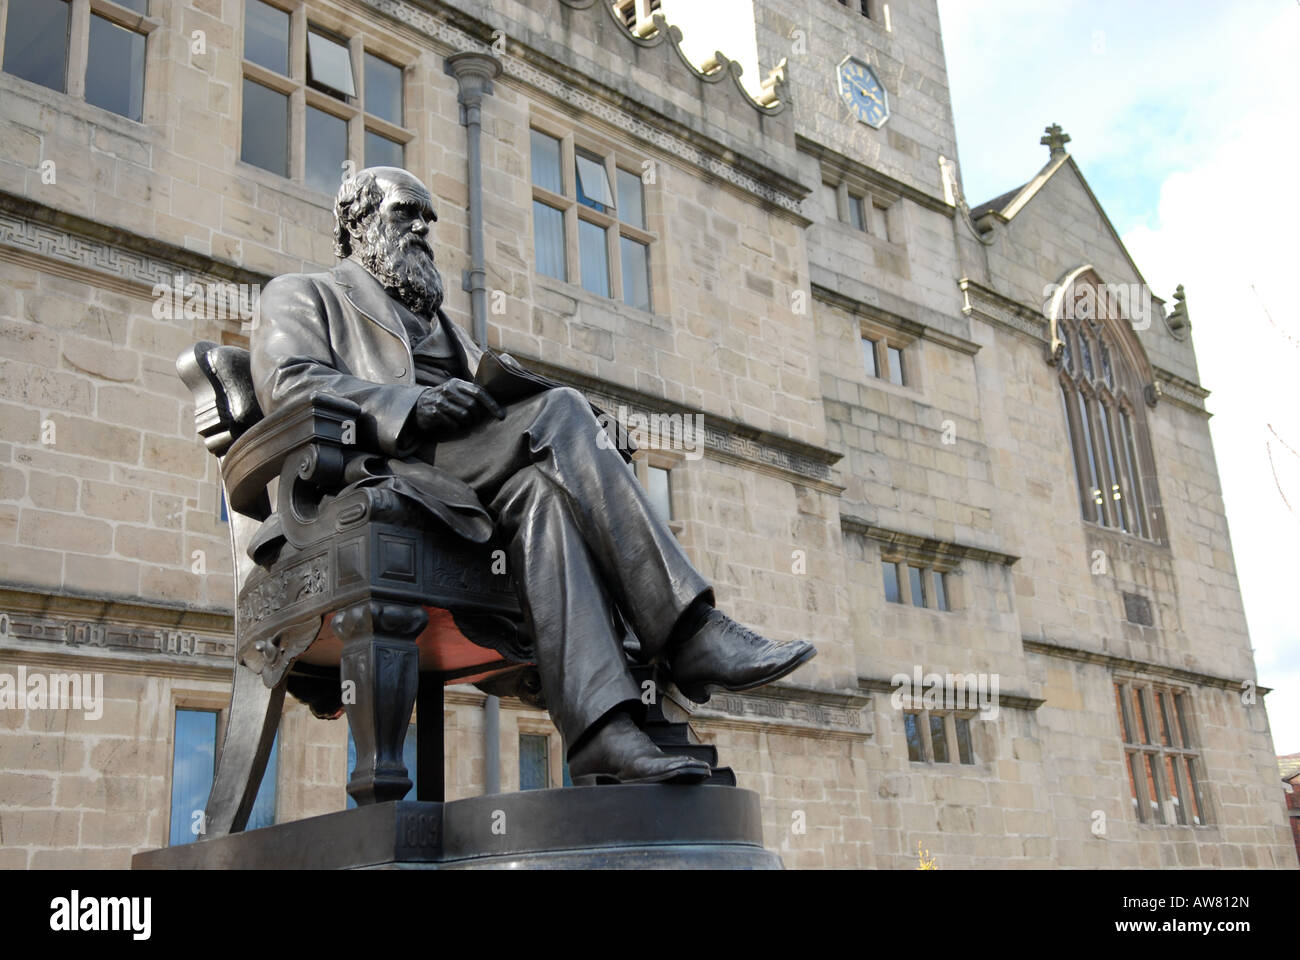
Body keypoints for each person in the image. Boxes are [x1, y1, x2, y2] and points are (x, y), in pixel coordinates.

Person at [251, 167, 815, 784]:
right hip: (385, 469)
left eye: (428, 218)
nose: (422, 228)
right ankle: (688, 631)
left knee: (545, 493)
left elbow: (505, 400)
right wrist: (410, 406)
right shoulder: (302, 294)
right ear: (357, 223)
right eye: (405, 212)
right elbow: (291, 385)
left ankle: (602, 730)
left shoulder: (446, 325)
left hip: (473, 483)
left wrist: (583, 431)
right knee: (565, 412)